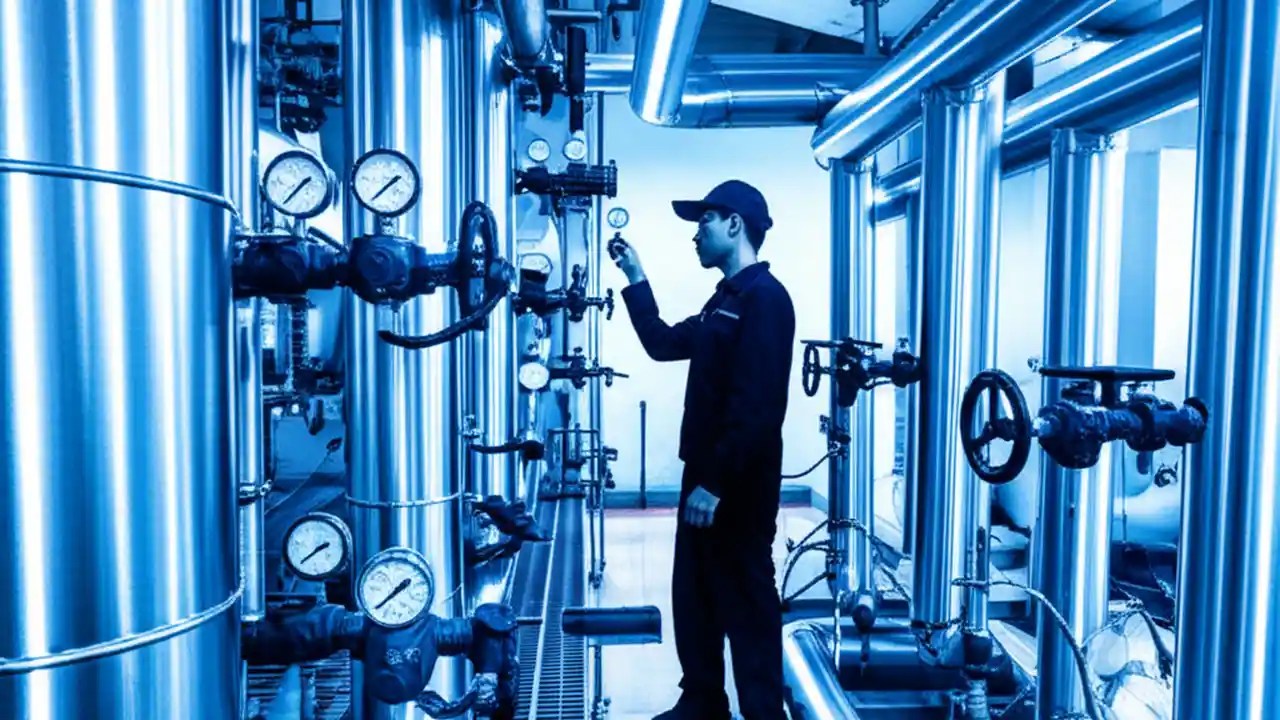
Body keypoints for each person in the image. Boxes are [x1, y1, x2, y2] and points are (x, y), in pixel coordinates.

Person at [609, 180, 795, 720]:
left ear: (735, 224)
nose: (696, 234)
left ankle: (764, 712)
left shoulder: (766, 299)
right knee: (695, 595)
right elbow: (663, 342)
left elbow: (758, 407)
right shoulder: (724, 302)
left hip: (736, 486)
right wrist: (635, 277)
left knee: (747, 601)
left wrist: (715, 483)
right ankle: (703, 701)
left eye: (704, 221)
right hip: (706, 475)